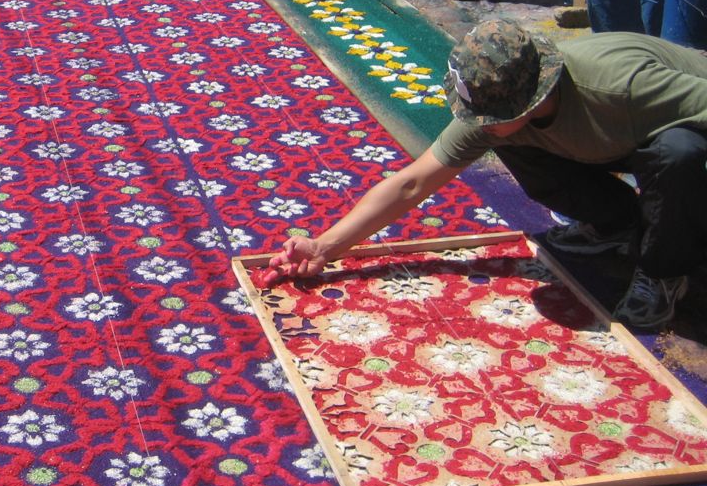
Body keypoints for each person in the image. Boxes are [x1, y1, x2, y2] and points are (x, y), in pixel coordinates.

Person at [271, 18, 707, 333]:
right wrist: (324, 246)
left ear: (534, 98)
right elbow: (413, 182)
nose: (479, 121)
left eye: (491, 116)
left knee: (679, 153)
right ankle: (616, 225)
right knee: (508, 141)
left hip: (670, 133)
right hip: (611, 143)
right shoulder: (492, 109)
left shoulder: (623, 88)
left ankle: (663, 272)